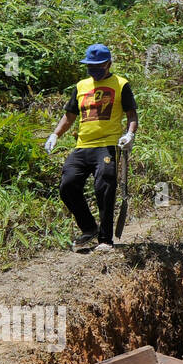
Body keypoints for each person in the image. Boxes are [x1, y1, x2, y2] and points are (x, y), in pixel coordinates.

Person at [44, 44, 138, 253]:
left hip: (107, 144)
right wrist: (55, 135)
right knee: (67, 185)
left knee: (104, 186)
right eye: (90, 66)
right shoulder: (81, 86)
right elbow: (69, 116)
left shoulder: (121, 84)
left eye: (97, 66)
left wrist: (129, 134)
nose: (93, 70)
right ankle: (89, 228)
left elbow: (132, 114)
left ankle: (105, 240)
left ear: (108, 64)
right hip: (83, 146)